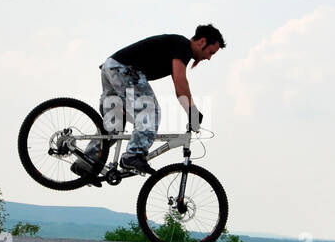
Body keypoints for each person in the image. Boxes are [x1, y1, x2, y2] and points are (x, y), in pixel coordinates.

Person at [71, 26, 226, 183]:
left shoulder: (179, 47)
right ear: (202, 42)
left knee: (115, 124)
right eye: (211, 52)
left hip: (111, 67)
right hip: (124, 69)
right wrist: (192, 112)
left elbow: (179, 85)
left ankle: (85, 164)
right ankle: (133, 154)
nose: (209, 58)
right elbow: (180, 83)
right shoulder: (183, 46)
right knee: (149, 110)